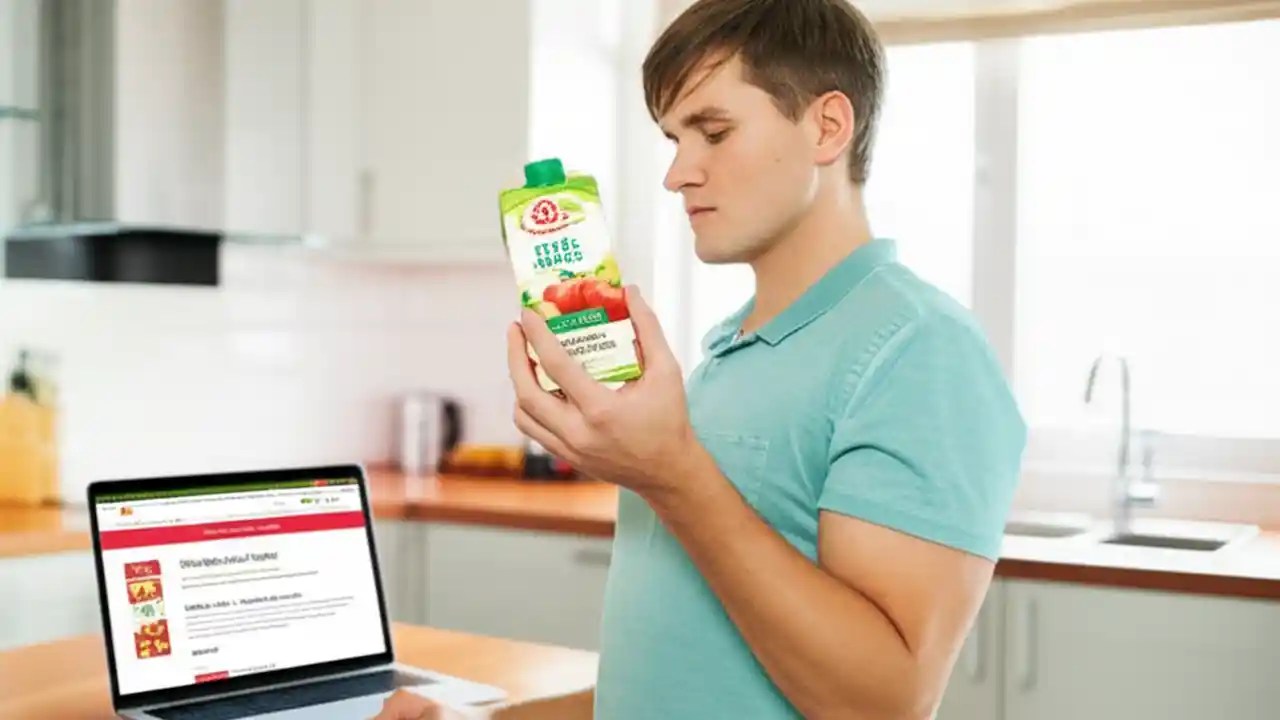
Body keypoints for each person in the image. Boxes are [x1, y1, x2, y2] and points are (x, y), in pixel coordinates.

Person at [376, 0, 1026, 718]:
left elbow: (881, 705)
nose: (678, 173)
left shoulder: (920, 350)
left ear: (827, 126)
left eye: (713, 132)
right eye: (673, 139)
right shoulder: (729, 353)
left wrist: (674, 473)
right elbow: (669, 687)